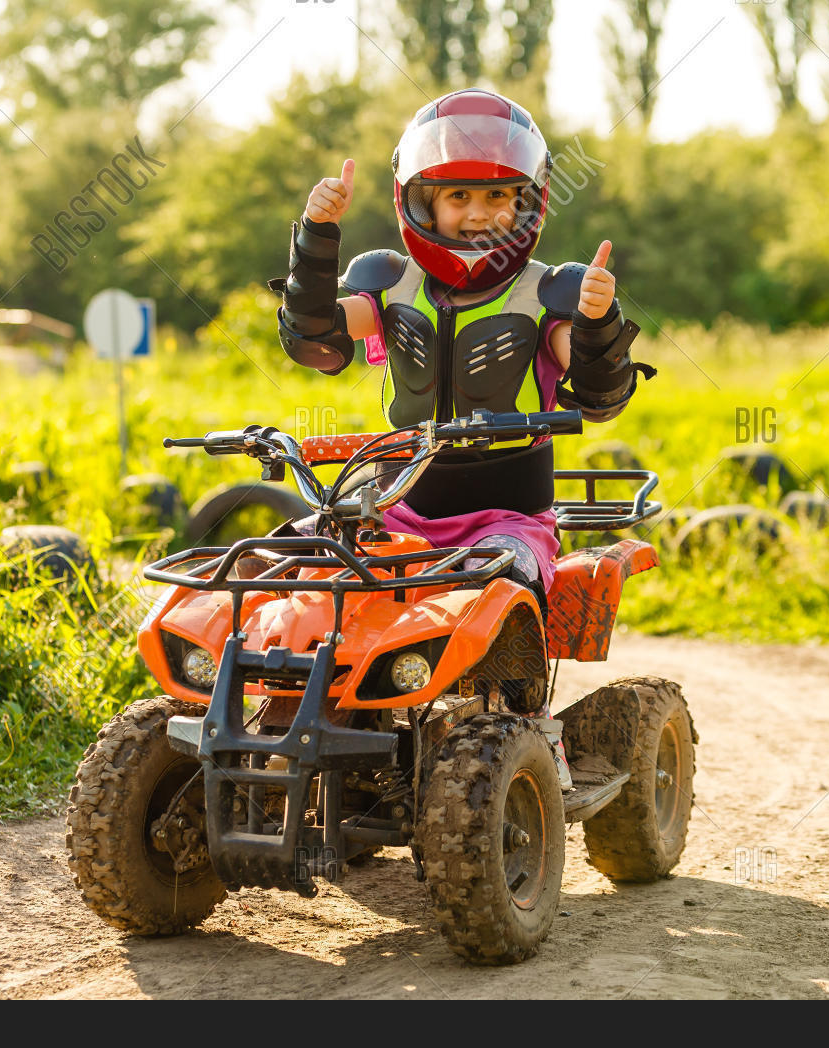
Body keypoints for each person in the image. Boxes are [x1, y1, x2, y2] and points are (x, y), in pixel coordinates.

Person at [274, 89, 653, 787]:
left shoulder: (551, 294)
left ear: (527, 202)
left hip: (508, 517)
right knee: (290, 557)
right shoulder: (389, 282)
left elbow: (599, 396)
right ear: (420, 201)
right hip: (398, 508)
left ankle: (531, 736)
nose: (477, 214)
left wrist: (599, 324)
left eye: (496, 197)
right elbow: (317, 337)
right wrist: (317, 236)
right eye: (456, 197)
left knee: (500, 585)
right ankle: (287, 716)